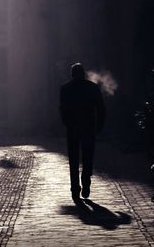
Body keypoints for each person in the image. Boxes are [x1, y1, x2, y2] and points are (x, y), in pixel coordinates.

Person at [60, 63, 106, 203]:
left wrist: (67, 124)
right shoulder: (92, 87)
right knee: (87, 158)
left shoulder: (65, 88)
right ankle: (86, 182)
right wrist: (99, 127)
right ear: (84, 73)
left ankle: (75, 188)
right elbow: (101, 108)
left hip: (73, 128)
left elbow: (63, 109)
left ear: (72, 74)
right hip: (88, 128)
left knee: (73, 160)